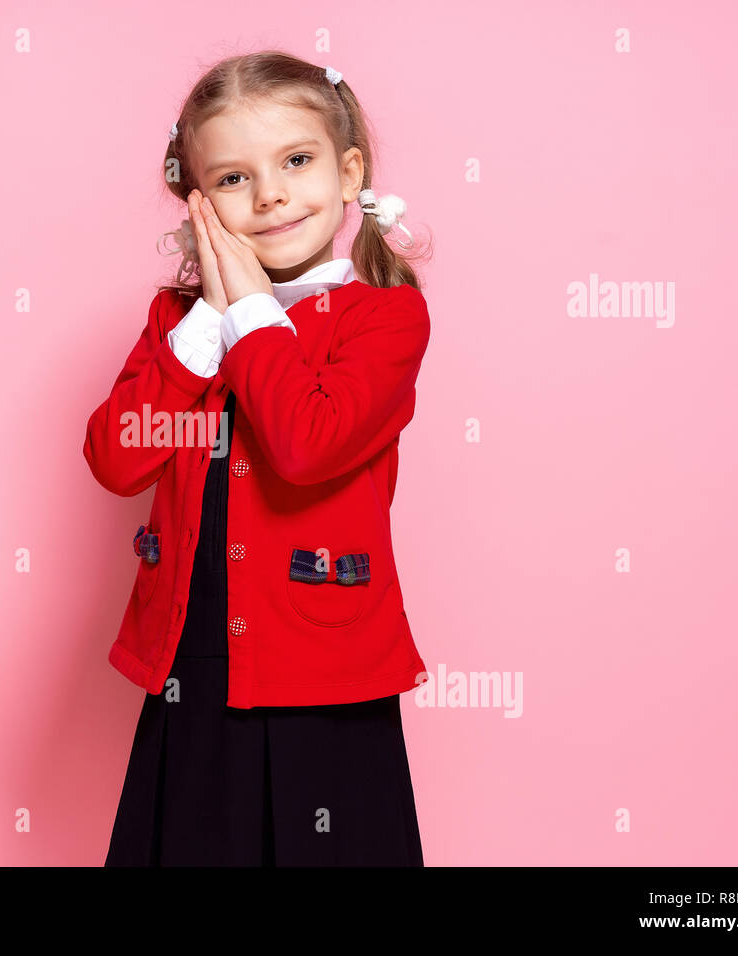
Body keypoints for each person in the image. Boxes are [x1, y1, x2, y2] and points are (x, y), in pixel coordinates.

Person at [82, 49, 434, 866]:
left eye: (297, 162)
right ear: (200, 203)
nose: (271, 193)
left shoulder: (384, 320)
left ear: (350, 173)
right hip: (194, 662)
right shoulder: (178, 323)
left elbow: (305, 444)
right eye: (234, 179)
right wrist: (207, 322)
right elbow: (119, 458)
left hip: (328, 669)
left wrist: (249, 312)